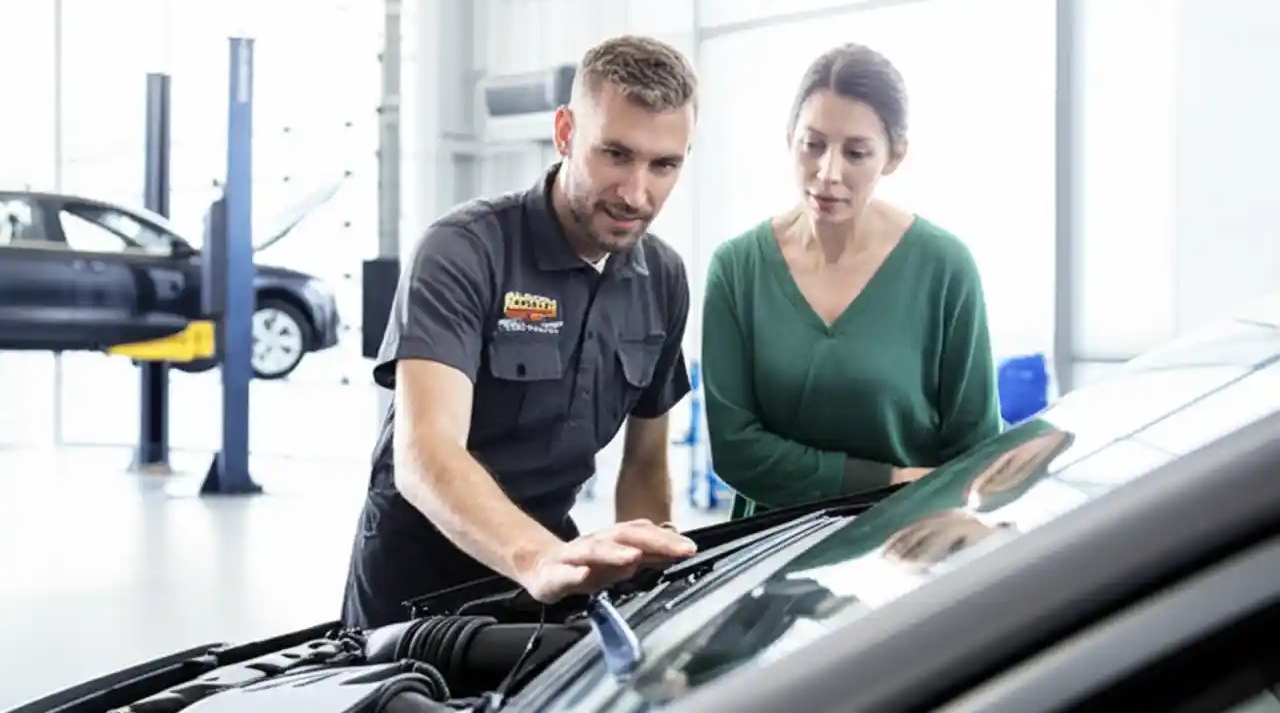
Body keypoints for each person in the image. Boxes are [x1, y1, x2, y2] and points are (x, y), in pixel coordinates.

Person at [342, 34, 701, 629]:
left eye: (664, 165)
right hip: (411, 596)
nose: (638, 193)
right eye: (615, 154)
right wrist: (538, 559)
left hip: (546, 586)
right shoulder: (464, 251)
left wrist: (649, 585)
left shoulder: (662, 278)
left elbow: (643, 466)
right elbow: (424, 450)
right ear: (565, 133)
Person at [701, 42, 1003, 521]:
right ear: (788, 139)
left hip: (909, 553)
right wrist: (887, 481)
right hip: (765, 557)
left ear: (894, 155)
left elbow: (976, 453)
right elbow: (736, 451)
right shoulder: (738, 269)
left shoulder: (945, 268)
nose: (829, 173)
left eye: (857, 152)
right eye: (813, 145)